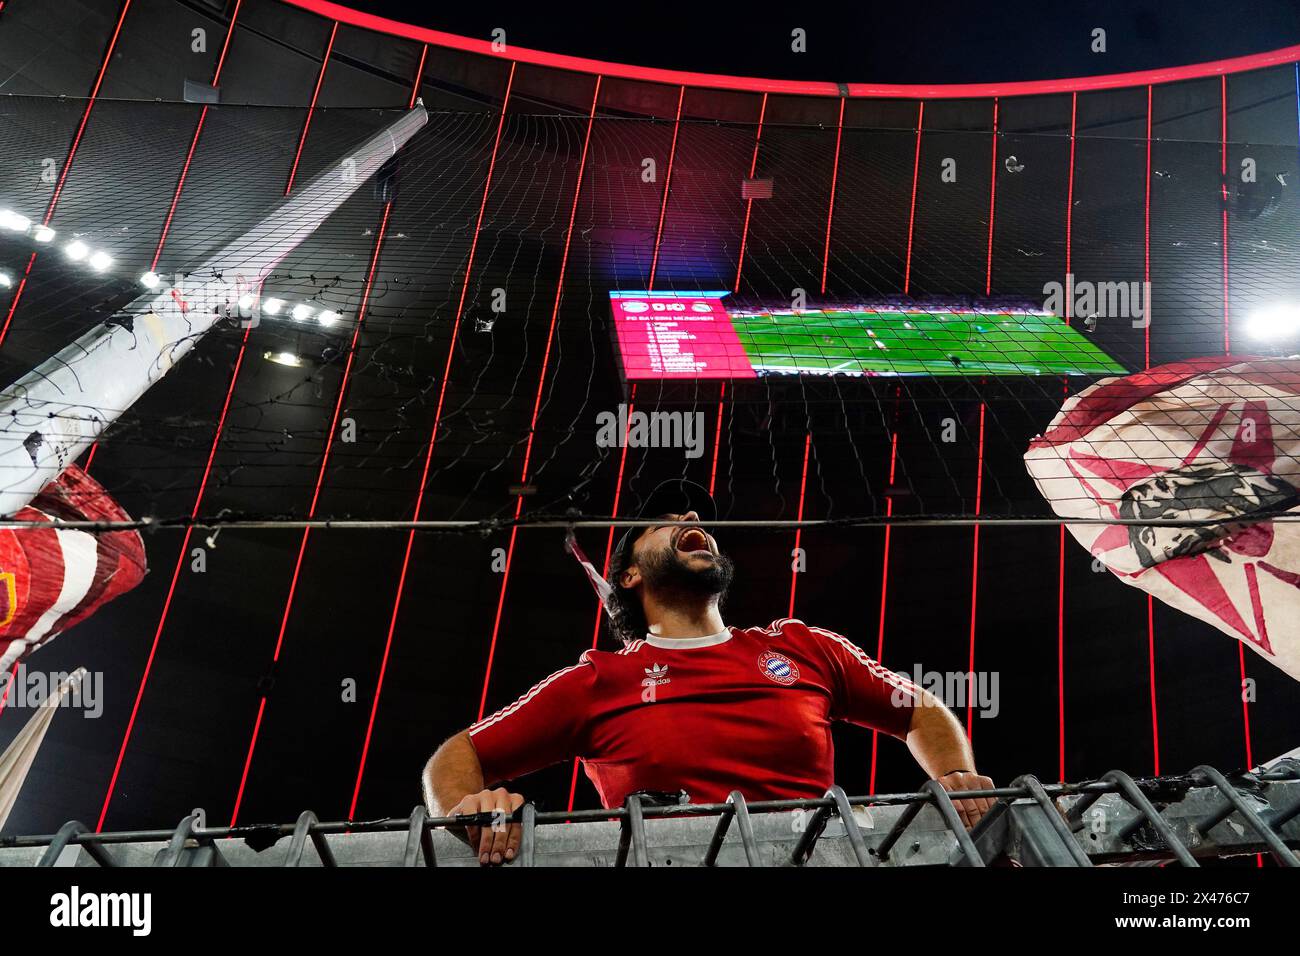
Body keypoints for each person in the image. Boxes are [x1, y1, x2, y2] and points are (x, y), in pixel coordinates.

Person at [423, 479, 994, 865]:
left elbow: (917, 707)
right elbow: (453, 757)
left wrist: (955, 777)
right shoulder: (598, 681)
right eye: (662, 523)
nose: (692, 519)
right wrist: (463, 809)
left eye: (692, 517)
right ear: (628, 576)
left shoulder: (804, 646)